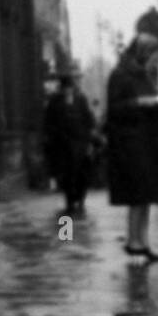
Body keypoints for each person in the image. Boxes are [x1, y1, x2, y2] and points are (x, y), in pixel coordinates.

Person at [106, 7, 158, 262]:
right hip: (131, 146)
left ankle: (143, 242)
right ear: (145, 54)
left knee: (146, 196)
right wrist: (140, 104)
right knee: (137, 196)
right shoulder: (120, 75)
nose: (157, 64)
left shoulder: (145, 76)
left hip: (148, 143)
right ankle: (133, 242)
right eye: (155, 58)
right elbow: (114, 110)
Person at [42, 62, 95, 214]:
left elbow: (88, 120)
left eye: (70, 88)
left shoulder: (81, 100)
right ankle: (70, 201)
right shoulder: (55, 101)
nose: (68, 91)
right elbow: (49, 121)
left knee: (81, 174)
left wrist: (88, 140)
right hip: (62, 145)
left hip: (79, 144)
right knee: (67, 175)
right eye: (66, 88)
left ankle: (80, 198)